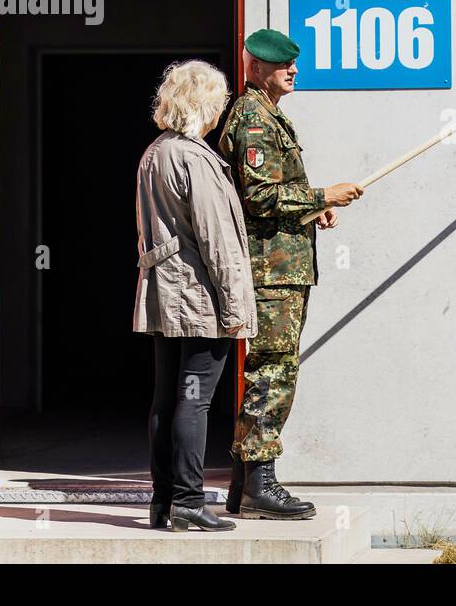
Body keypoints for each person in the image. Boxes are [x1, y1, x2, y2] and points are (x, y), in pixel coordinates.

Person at [218, 28, 362, 519]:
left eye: (293, 64)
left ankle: (243, 487)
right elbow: (258, 197)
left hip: (284, 265)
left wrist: (309, 211)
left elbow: (274, 196)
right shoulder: (254, 119)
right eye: (282, 65)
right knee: (273, 372)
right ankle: (260, 483)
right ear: (254, 67)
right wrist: (321, 196)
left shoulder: (269, 114)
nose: (292, 71)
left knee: (273, 368)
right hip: (272, 270)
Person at [133, 60, 258, 532]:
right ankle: (188, 500)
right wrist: (233, 308)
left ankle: (163, 501)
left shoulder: (155, 152)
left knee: (168, 398)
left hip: (164, 294)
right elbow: (217, 239)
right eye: (220, 100)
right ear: (205, 103)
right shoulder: (194, 157)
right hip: (198, 296)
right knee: (195, 399)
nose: (223, 109)